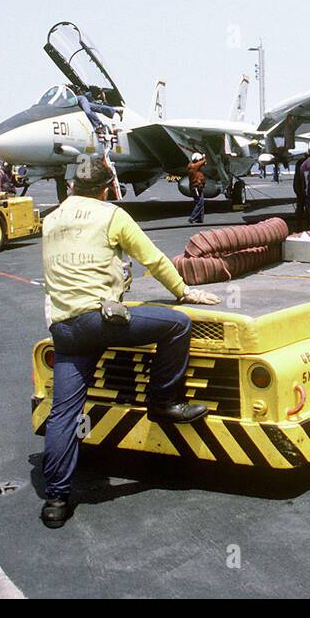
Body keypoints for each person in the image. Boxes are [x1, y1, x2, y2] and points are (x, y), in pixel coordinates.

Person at [39, 156, 221, 528]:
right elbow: (152, 260)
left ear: (72, 186)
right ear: (106, 189)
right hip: (98, 321)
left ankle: (56, 501)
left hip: (63, 329)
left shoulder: (51, 220)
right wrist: (184, 292)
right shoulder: (111, 216)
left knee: (63, 414)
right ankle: (163, 403)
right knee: (177, 326)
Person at [186, 152, 207, 224]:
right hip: (196, 187)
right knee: (199, 203)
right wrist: (204, 157)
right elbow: (203, 162)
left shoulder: (192, 167)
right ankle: (192, 218)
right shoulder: (193, 167)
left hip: (197, 187)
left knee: (201, 202)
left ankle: (200, 219)